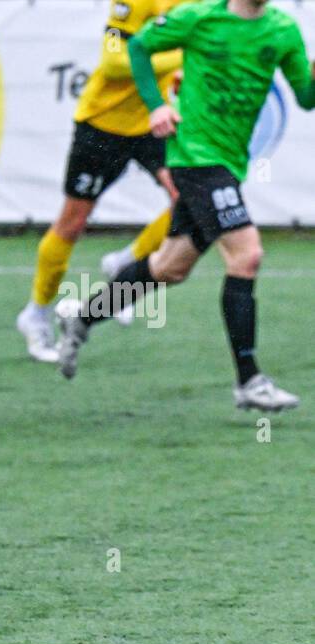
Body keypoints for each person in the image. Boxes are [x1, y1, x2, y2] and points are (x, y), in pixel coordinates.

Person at [55, 0, 314, 412]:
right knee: (247, 256)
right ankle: (249, 381)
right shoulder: (199, 17)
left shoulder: (283, 30)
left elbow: (306, 98)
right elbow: (137, 48)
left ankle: (83, 317)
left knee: (167, 268)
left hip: (228, 162)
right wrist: (156, 106)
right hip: (195, 158)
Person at [17, 0, 190, 362]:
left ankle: (126, 263)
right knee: (72, 222)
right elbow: (113, 63)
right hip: (103, 126)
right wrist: (178, 55)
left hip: (151, 121)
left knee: (187, 199)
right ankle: (36, 314)